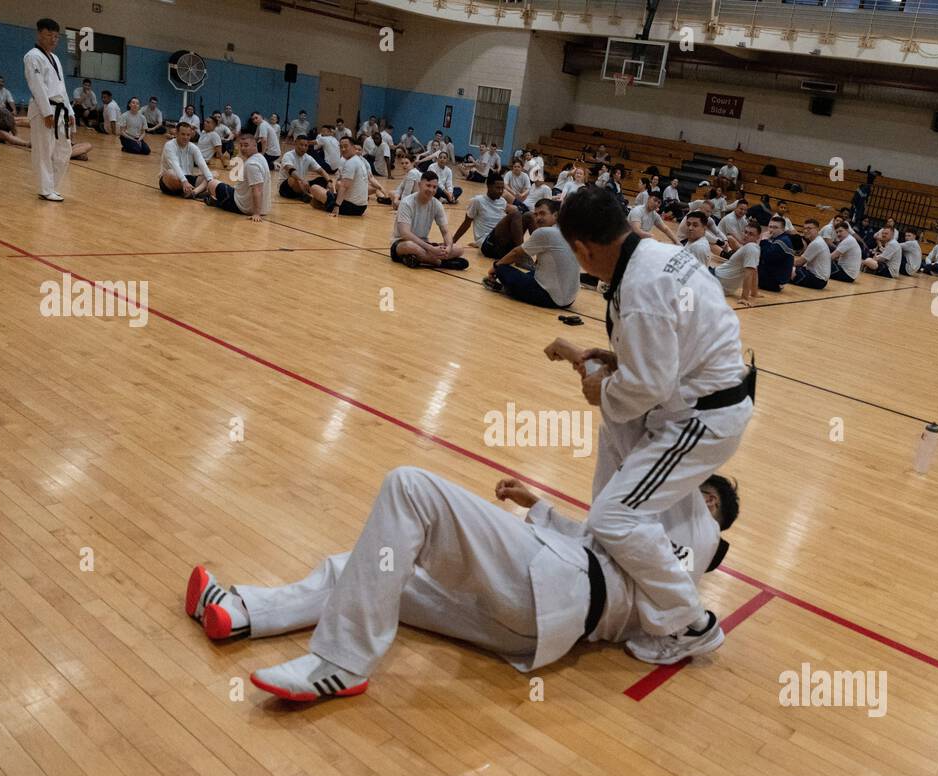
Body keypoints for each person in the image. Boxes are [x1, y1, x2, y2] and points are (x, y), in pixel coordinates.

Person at [183, 464, 738, 700]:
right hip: (534, 627)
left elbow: (679, 478)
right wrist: (539, 505)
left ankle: (344, 661)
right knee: (377, 572)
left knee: (410, 488)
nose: (702, 502)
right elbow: (603, 537)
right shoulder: (650, 543)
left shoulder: (699, 536)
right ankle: (244, 611)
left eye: (712, 501)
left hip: (557, 585)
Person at [555, 186, 754, 661]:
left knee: (616, 514)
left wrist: (601, 387)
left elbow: (644, 387)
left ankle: (691, 623)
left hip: (703, 420)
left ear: (582, 249)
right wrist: (618, 357)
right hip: (697, 400)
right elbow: (665, 347)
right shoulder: (661, 254)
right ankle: (598, 555)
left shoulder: (642, 288)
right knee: (615, 434)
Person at [482, 199, 579, 309]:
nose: (538, 218)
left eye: (542, 213)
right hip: (570, 299)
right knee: (533, 272)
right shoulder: (570, 232)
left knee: (502, 268)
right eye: (536, 214)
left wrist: (495, 266)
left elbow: (515, 253)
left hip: (550, 299)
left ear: (556, 215)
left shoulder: (544, 232)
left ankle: (508, 289)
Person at [22, 18, 73, 201]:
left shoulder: (56, 58)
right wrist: (46, 112)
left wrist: (71, 112)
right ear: (39, 35)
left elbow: (62, 88)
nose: (53, 39)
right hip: (45, 109)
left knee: (64, 150)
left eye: (56, 36)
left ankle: (51, 186)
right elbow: (37, 86)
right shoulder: (33, 56)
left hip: (61, 109)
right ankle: (45, 189)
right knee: (44, 150)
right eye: (49, 35)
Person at [389, 170, 468, 269]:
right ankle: (440, 263)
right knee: (411, 246)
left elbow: (445, 231)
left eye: (434, 187)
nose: (431, 190)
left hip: (424, 244)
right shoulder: (406, 203)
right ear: (419, 185)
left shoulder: (437, 204)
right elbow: (405, 234)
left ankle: (416, 258)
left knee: (459, 248)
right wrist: (431, 249)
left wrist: (448, 247)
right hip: (401, 243)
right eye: (428, 185)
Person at [204, 131, 270, 221]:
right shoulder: (261, 158)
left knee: (212, 183)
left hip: (242, 206)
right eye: (241, 145)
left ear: (255, 145)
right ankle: (218, 202)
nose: (242, 148)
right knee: (225, 186)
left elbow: (257, 189)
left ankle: (218, 202)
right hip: (257, 206)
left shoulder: (251, 164)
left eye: (246, 145)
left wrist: (256, 213)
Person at [158, 121, 213, 199]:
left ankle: (194, 192)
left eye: (188, 135)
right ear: (176, 133)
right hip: (172, 180)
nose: (186, 137)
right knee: (171, 174)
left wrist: (210, 181)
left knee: (213, 175)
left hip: (187, 178)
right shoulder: (169, 145)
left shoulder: (193, 147)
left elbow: (202, 164)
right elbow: (175, 165)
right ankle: (197, 190)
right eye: (183, 134)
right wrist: (184, 181)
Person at [713, 221, 762, 305]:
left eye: (751, 234)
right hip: (714, 278)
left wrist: (746, 297)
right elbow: (753, 272)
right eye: (745, 232)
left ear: (758, 237)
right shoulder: (752, 247)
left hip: (717, 280)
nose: (746, 235)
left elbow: (751, 273)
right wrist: (751, 294)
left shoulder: (752, 248)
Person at [278, 137, 331, 208]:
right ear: (295, 143)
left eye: (306, 145)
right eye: (301, 145)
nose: (303, 147)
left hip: (301, 184)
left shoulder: (308, 158)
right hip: (286, 188)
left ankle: (318, 195)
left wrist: (329, 181)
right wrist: (302, 180)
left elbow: (321, 170)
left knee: (323, 180)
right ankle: (306, 195)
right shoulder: (288, 155)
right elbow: (291, 170)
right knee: (292, 178)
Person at [791, 219, 831, 290]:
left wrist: (784, 263)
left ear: (817, 229)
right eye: (804, 228)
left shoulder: (816, 243)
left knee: (785, 270)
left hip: (817, 280)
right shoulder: (818, 240)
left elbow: (799, 262)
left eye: (809, 228)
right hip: (819, 279)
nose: (806, 231)